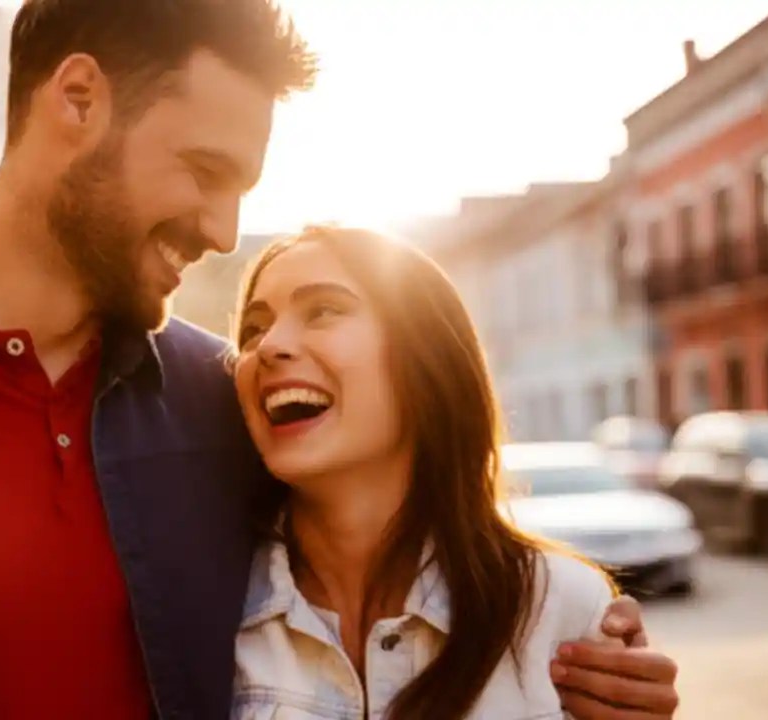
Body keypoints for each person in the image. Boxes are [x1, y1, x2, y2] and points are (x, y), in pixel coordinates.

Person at [0, 1, 677, 718]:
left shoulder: (224, 406)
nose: (224, 231)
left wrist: (574, 646)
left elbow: (395, 550)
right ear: (75, 101)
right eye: (205, 169)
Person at [229, 227, 680, 719]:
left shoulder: (560, 607)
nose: (270, 345)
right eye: (254, 328)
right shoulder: (201, 603)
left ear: (424, 357)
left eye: (323, 310)